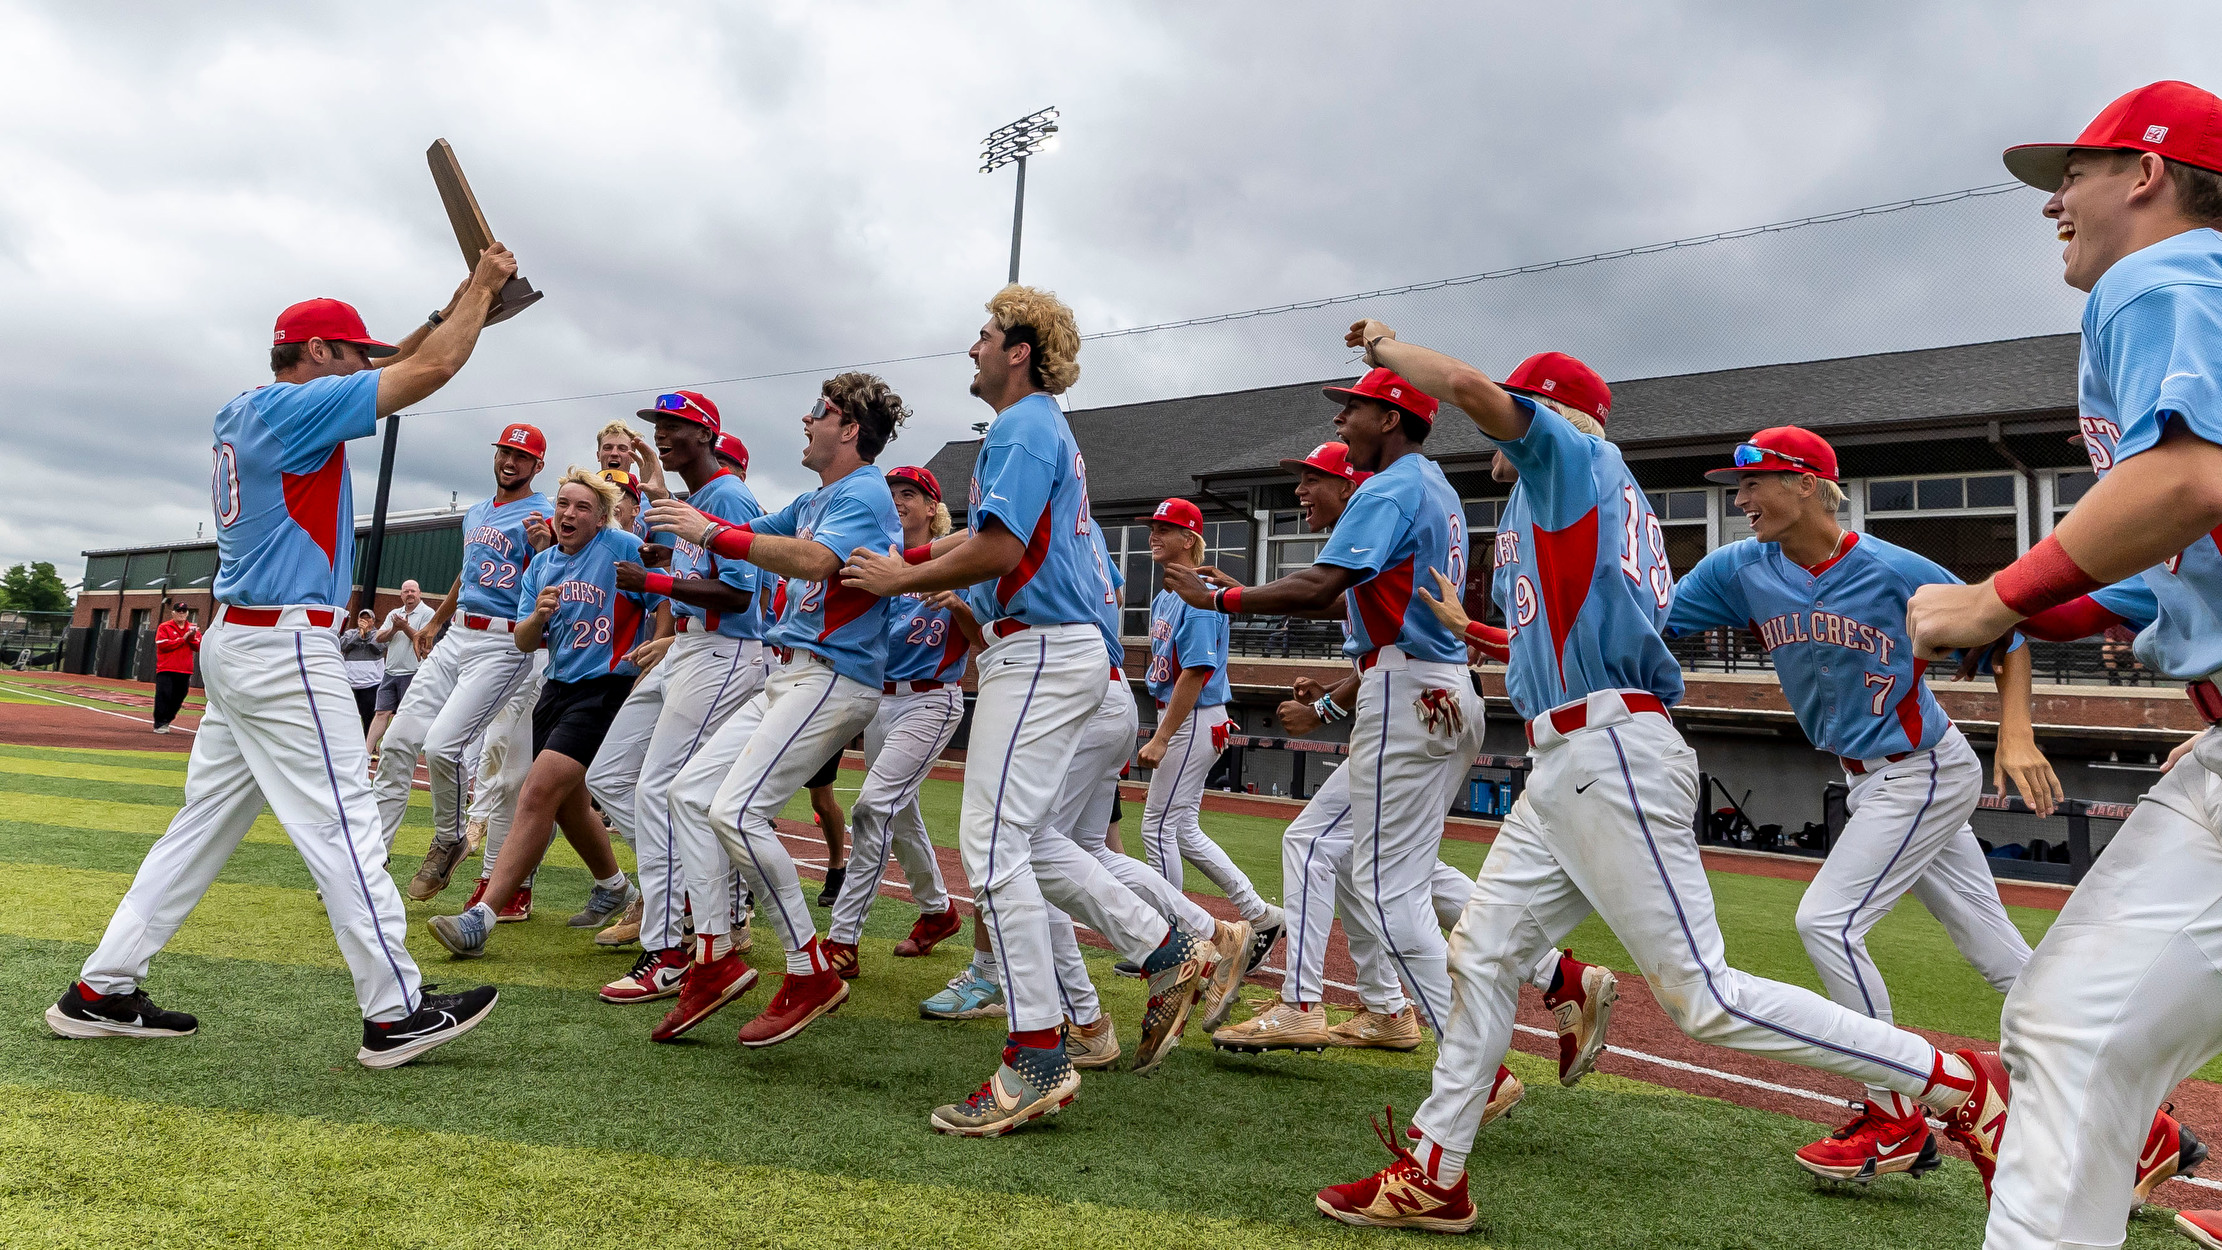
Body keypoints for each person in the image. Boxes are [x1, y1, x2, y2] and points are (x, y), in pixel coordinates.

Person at [1307, 327, 2004, 1234]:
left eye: (1524, 407)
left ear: (1558, 414)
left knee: (1702, 998)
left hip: (1612, 751)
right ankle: (1438, 1173)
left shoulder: (1575, 459)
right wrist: (1477, 642)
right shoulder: (1559, 503)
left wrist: (1394, 349)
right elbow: (1591, 626)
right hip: (1572, 754)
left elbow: (1478, 394)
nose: (1496, 430)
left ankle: (1953, 1084)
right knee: (1480, 954)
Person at [47, 248, 518, 1066]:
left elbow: (411, 353)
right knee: (345, 819)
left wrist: (459, 303)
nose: (366, 361)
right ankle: (395, 1012)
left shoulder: (253, 406)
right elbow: (431, 369)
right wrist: (482, 289)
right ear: (320, 355)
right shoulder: (298, 410)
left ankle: (103, 987)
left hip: (242, 643)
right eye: (352, 352)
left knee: (199, 829)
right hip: (282, 645)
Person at [1905, 80, 2222, 1248]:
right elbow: (2181, 552)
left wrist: (1995, 593)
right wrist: (2046, 612)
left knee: (2074, 1023)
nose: (2053, 204)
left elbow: (2184, 483)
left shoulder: (2164, 272)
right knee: (2075, 1025)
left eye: (2069, 175)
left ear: (2143, 173)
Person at [841, 286, 1216, 1135]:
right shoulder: (1043, 424)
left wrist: (901, 575)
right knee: (1035, 842)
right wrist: (907, 551)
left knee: (995, 848)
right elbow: (994, 541)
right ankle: (1165, 951)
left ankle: (1036, 1057)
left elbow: (1002, 547)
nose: (971, 347)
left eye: (984, 336)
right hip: (1055, 650)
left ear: (1019, 350)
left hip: (1040, 650)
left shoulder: (1020, 425)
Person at [646, 372, 904, 1048]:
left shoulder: (865, 491)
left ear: (848, 427)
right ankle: (714, 957)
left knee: (734, 811)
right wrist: (669, 508)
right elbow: (741, 532)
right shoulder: (820, 496)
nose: (805, 420)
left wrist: (708, 530)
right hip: (789, 676)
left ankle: (808, 969)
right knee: (687, 794)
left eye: (818, 412)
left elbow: (813, 562)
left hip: (832, 676)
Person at [1210, 441, 1493, 1055]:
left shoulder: (1385, 493)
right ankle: (1397, 1005)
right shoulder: (1427, 494)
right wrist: (1327, 706)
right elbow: (1360, 613)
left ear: (1351, 484)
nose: (1301, 490)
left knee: (1340, 858)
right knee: (1374, 862)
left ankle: (1304, 1005)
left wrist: (1223, 599)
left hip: (1412, 689)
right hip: (1443, 691)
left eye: (1314, 478)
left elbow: (1323, 594)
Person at [425, 467, 656, 957]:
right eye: (564, 505)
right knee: (569, 804)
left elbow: (660, 597)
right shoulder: (543, 565)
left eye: (582, 508)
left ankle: (481, 917)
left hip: (606, 687)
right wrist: (537, 616)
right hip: (558, 686)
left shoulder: (620, 549)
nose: (569, 514)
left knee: (536, 791)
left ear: (601, 519)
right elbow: (525, 641)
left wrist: (653, 652)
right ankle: (616, 887)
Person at [591, 392, 766, 1005]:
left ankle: (668, 952)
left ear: (706, 434)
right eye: (659, 424)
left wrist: (658, 579)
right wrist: (670, 558)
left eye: (675, 425)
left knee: (662, 793)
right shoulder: (702, 499)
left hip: (723, 652)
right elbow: (710, 569)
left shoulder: (729, 495)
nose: (662, 433)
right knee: (621, 781)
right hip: (691, 649)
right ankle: (699, 903)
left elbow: (741, 594)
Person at [370, 424, 553, 907]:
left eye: (521, 455)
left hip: (505, 642)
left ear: (538, 465)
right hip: (458, 636)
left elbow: (560, 568)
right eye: (504, 452)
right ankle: (370, 861)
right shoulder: (475, 513)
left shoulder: (546, 513)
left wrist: (545, 548)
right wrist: (437, 622)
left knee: (443, 747)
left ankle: (449, 839)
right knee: (396, 742)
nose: (509, 461)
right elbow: (467, 572)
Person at [1134, 495, 1284, 1020]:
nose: (1154, 534)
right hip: (1198, 714)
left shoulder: (1199, 594)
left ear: (1190, 539)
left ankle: (1172, 936)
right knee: (1183, 828)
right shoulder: (1168, 595)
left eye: (1165, 528)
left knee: (1157, 827)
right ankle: (1258, 916)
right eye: (1152, 527)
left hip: (1193, 714)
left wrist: (1162, 737)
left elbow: (1196, 673)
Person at [822, 465, 972, 975]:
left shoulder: (957, 554)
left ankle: (843, 938)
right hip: (878, 700)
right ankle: (937, 911)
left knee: (873, 808)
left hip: (931, 697)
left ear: (933, 507)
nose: (898, 501)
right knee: (900, 814)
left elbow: (987, 637)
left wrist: (962, 606)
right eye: (891, 494)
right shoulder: (879, 556)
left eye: (909, 493)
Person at [366, 580, 433, 756]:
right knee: (381, 712)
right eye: (405, 591)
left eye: (412, 591)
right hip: (390, 671)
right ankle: (365, 752)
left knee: (406, 716)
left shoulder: (427, 613)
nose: (409, 594)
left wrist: (404, 627)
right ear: (401, 595)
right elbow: (379, 637)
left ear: (419, 593)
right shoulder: (394, 614)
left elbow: (425, 641)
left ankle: (399, 752)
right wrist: (395, 628)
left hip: (413, 671)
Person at [151, 602, 200, 734]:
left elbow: (198, 647)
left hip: (185, 669)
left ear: (188, 613)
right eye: (179, 611)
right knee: (164, 694)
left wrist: (191, 638)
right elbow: (162, 645)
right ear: (173, 612)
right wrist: (182, 639)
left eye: (184, 611)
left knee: (179, 697)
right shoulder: (165, 627)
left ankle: (167, 719)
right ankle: (160, 723)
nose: (181, 613)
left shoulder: (192, 628)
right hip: (166, 668)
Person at [337, 609, 384, 730]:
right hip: (350, 683)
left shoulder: (379, 634)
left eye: (368, 618)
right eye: (362, 618)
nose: (364, 621)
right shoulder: (350, 634)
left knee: (368, 717)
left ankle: (369, 745)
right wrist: (359, 636)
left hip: (371, 684)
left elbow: (377, 648)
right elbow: (343, 646)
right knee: (348, 716)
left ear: (373, 621)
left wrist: (366, 635)